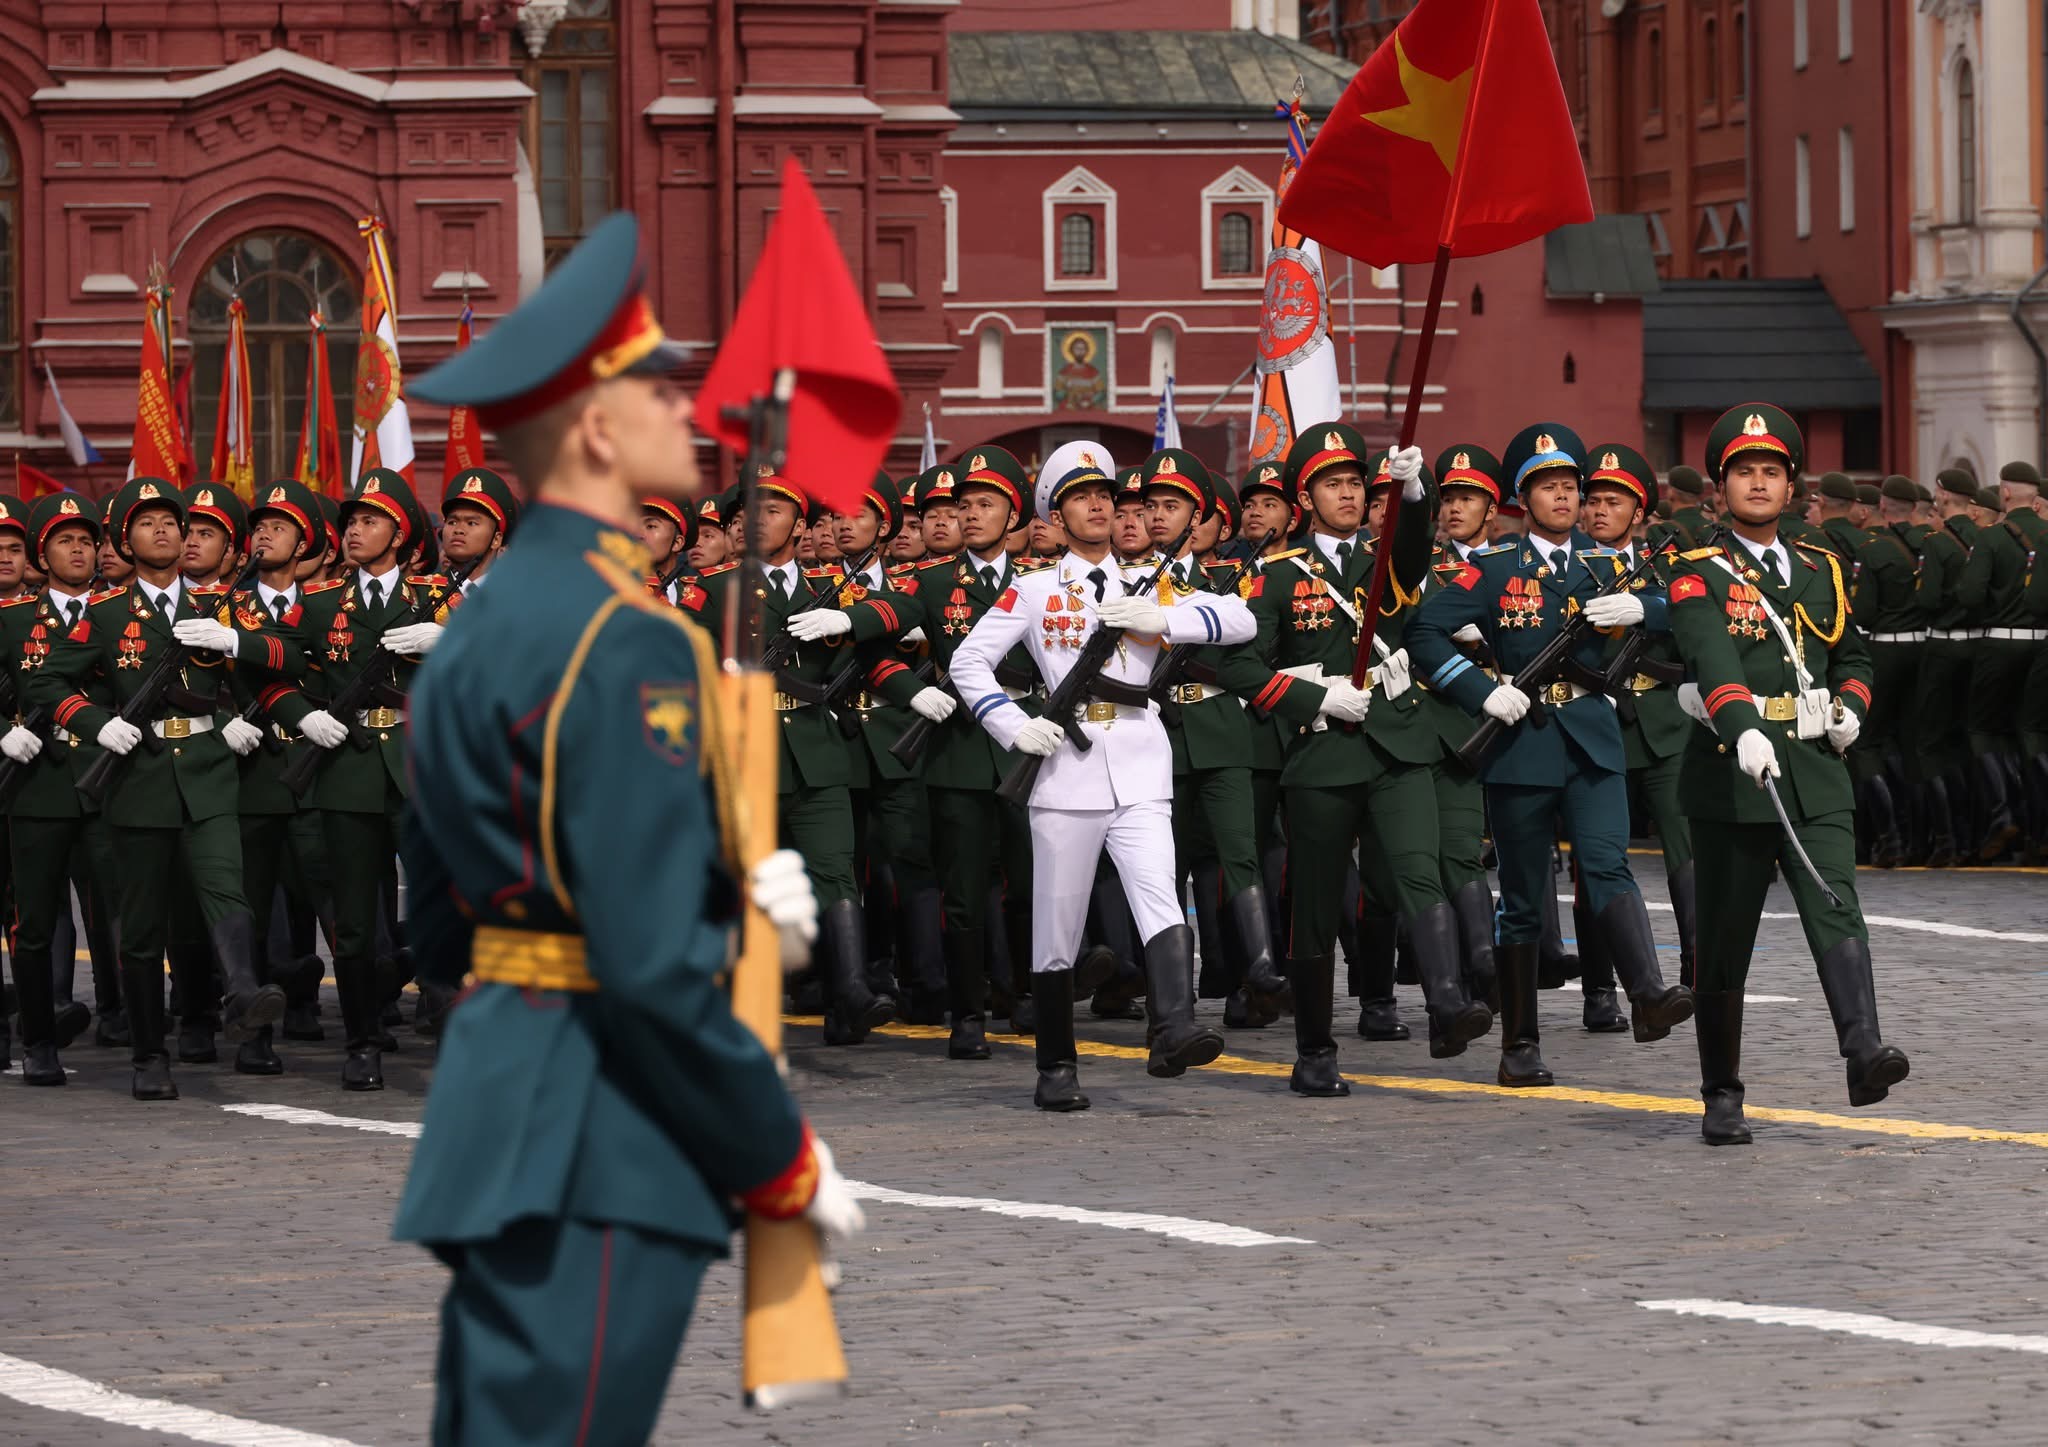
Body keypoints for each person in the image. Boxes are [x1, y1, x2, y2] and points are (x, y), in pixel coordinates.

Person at [396, 211, 860, 1444]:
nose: (687, 415)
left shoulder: (480, 624)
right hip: (598, 1129)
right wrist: (778, 1154)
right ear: (597, 431)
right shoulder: (633, 638)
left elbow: (437, 915)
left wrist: (718, 887)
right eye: (658, 393)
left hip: (503, 1095)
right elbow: (645, 960)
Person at [950, 439, 1246, 1110]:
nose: (1097, 505)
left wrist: (1161, 617)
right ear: (1054, 517)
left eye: (1107, 496)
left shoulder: (1150, 582)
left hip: (1140, 763)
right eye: (1081, 497)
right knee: (1057, 928)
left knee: (1158, 899)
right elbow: (968, 665)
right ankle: (1056, 1064)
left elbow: (1238, 617)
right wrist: (1010, 723)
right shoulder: (1030, 591)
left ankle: (1172, 1026)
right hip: (1064, 771)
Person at [1408, 423, 1692, 1088]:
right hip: (1522, 741)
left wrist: (1643, 606)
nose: (1563, 497)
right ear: (1521, 498)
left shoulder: (1608, 566)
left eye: (1570, 486)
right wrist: (1482, 691)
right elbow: (1424, 631)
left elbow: (1685, 606)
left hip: (1593, 736)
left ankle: (1647, 994)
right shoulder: (1496, 568)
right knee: (1526, 901)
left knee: (1606, 864)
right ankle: (1520, 1042)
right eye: (1547, 487)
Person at [1214, 425, 1493, 1091]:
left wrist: (1416, 489)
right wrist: (1315, 696)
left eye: (1356, 484)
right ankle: (1313, 1049)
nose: (1347, 493)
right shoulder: (1276, 577)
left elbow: (1417, 547)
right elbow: (1241, 666)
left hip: (1399, 739)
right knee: (1314, 901)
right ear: (1305, 499)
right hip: (1322, 753)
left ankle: (1446, 1003)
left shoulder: (1386, 558)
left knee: (1417, 871)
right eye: (1332, 484)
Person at [1663, 403, 1908, 1145]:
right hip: (1733, 771)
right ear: (1720, 488)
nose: (1759, 483)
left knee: (1836, 902)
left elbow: (1854, 657)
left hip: (1812, 767)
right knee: (1725, 937)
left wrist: (1852, 711)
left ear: (1793, 485)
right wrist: (1742, 729)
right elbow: (1711, 659)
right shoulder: (1695, 572)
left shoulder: (1823, 568)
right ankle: (1722, 1091)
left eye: (1771, 472)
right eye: (1745, 472)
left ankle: (1863, 1051)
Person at [32, 477, 292, 1099]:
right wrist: (100, 724)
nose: (164, 531)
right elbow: (46, 683)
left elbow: (291, 655)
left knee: (225, 883)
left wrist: (237, 639)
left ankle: (242, 991)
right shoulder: (103, 613)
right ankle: (151, 1055)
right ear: (125, 539)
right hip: (138, 774)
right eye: (148, 523)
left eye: (172, 523)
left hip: (206, 766)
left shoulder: (220, 602)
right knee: (143, 926)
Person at [440, 467, 520, 589]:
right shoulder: (418, 597)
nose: (458, 530)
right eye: (452, 522)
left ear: (496, 539)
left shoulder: (516, 598)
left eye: (471, 523)